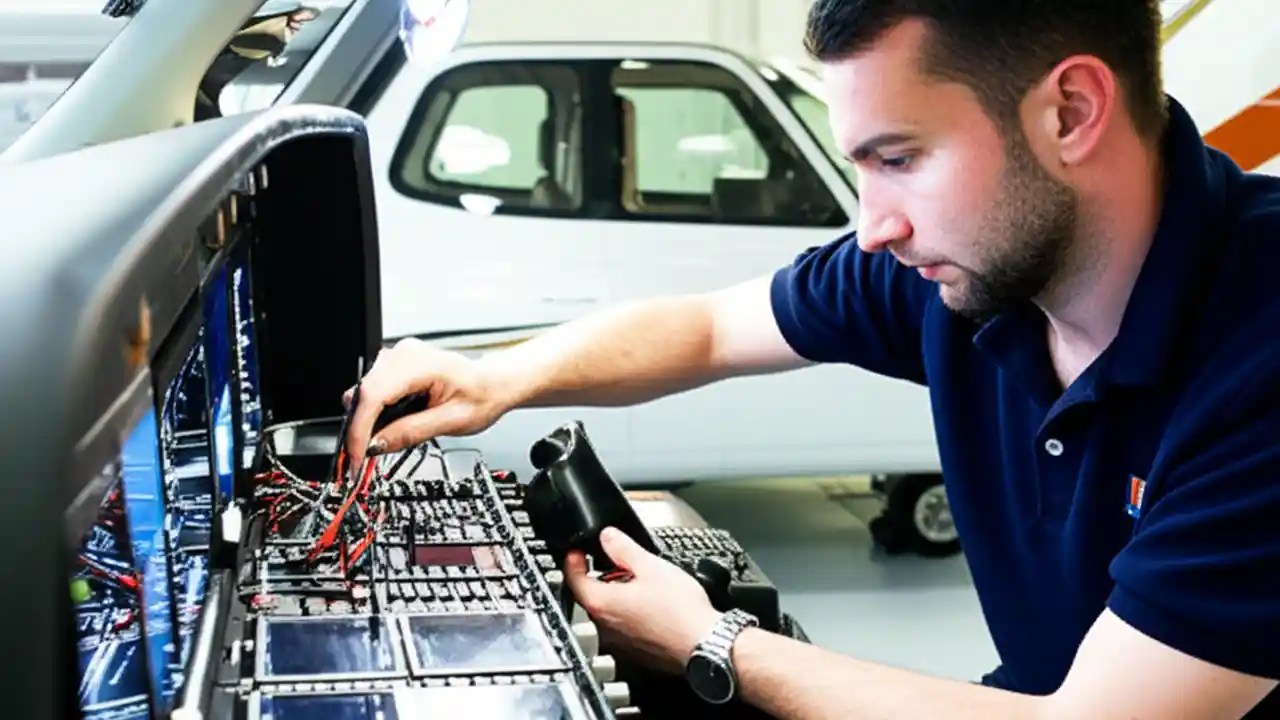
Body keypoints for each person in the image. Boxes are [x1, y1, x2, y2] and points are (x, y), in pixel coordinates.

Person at [343, 0, 1280, 716]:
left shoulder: (1261, 350)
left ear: (1071, 110)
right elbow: (712, 327)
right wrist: (505, 376)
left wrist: (714, 641)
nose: (874, 228)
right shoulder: (962, 265)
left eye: (900, 158)